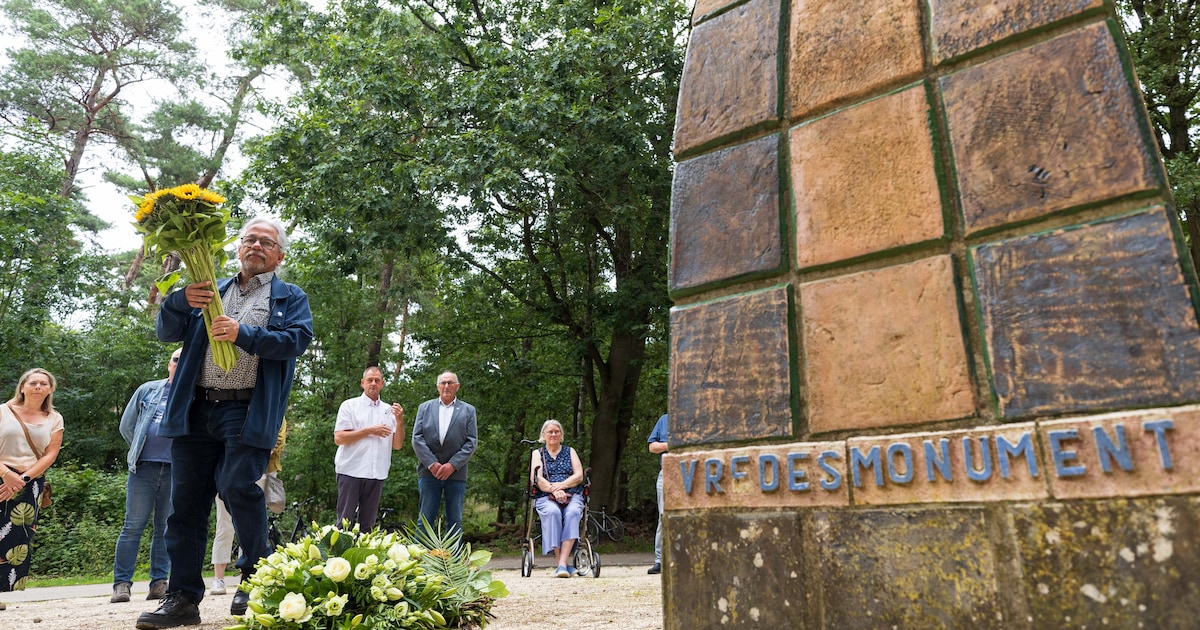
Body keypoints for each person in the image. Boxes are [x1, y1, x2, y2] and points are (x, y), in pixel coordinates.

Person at [137, 216, 313, 630]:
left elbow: (295, 342)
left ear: (279, 255)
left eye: (266, 242)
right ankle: (182, 599)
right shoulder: (208, 288)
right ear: (237, 247)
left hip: (247, 409)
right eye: (249, 239)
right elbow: (167, 331)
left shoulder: (289, 297)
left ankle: (256, 578)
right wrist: (180, 300)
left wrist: (243, 334)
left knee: (237, 484)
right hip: (196, 408)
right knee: (186, 505)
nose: (256, 246)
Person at [111, 349, 182, 604]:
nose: (179, 363)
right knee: (133, 526)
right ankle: (121, 585)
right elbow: (126, 426)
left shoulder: (194, 394)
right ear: (168, 364)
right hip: (144, 468)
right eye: (176, 359)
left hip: (177, 470)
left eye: (185, 359)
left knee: (165, 529)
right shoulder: (148, 390)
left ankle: (159, 583)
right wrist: (140, 450)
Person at [0, 368, 64, 612]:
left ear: (50, 389)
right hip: (1, 474)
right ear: (22, 387)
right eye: (33, 382)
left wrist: (23, 478)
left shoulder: (54, 418)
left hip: (29, 483)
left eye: (43, 383)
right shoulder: (3, 411)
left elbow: (51, 453)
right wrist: (7, 474)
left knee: (15, 539)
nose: (38, 386)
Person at [209, 419, 287, 596]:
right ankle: (218, 579)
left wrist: (254, 451)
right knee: (224, 524)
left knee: (249, 524)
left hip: (260, 468)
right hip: (226, 470)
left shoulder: (271, 408)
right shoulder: (225, 410)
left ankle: (248, 576)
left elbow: (279, 438)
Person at [334, 366, 404, 530]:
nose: (373, 383)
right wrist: (369, 430)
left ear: (382, 384)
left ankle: (363, 556)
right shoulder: (349, 406)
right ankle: (339, 555)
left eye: (377, 380)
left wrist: (399, 420)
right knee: (345, 523)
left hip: (376, 473)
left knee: (367, 526)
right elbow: (339, 438)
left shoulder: (389, 410)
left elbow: (398, 445)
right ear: (362, 383)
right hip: (351, 471)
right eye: (369, 380)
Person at [411, 371, 477, 536]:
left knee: (455, 520)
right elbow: (417, 438)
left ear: (457, 386)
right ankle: (421, 560)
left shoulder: (468, 410)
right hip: (428, 472)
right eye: (443, 383)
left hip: (456, 474)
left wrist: (452, 465)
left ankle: (453, 561)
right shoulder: (424, 408)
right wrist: (432, 464)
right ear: (437, 386)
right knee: (425, 519)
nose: (446, 386)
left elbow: (471, 442)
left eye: (450, 383)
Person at [529, 419, 585, 578]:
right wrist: (554, 490)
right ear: (543, 435)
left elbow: (579, 475)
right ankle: (563, 564)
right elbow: (536, 479)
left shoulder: (570, 451)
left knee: (573, 512)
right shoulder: (537, 454)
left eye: (556, 431)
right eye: (550, 432)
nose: (553, 434)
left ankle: (561, 564)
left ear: (561, 435)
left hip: (572, 493)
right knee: (553, 513)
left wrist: (561, 486)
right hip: (545, 495)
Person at [647, 413, 668, 575]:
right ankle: (660, 561)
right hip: (667, 472)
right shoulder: (664, 419)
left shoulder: (696, 418)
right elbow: (652, 447)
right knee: (663, 516)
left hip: (693, 471)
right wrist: (671, 445)